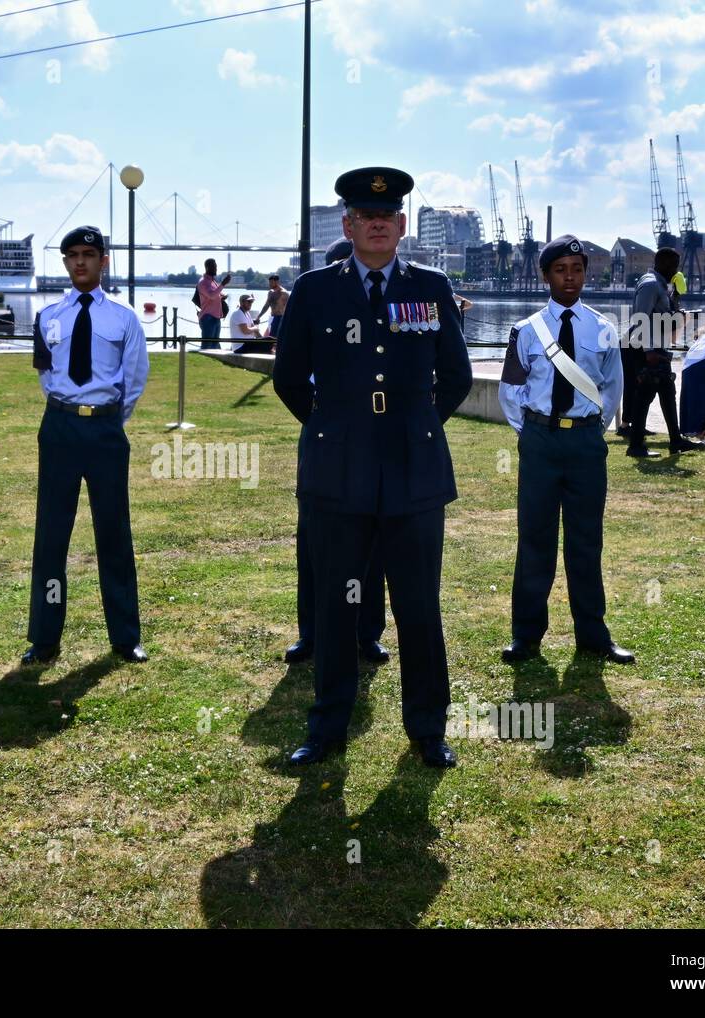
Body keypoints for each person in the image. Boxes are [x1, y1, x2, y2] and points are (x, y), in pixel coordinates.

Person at [273, 166, 473, 768]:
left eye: (387, 218)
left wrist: (415, 424)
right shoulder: (314, 290)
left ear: (402, 225)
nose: (378, 225)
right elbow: (288, 378)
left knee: (419, 604)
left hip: (414, 470)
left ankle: (427, 728)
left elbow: (457, 377)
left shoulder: (433, 288)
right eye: (366, 217)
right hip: (339, 471)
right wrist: (334, 426)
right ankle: (328, 726)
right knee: (336, 605)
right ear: (349, 225)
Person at [497, 235, 635, 667]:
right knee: (534, 539)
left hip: (585, 444)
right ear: (546, 276)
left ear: (584, 274)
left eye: (576, 269)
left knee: (586, 541)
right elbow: (510, 389)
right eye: (561, 270)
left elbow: (612, 387)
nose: (569, 277)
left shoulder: (604, 328)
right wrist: (534, 431)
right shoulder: (526, 330)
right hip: (540, 442)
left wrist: (590, 428)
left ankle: (593, 635)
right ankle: (526, 637)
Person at [23, 226, 150, 665]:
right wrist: (68, 410)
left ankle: (125, 635)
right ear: (64, 262)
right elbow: (45, 374)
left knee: (113, 531)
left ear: (104, 261)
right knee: (51, 533)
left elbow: (133, 379)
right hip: (59, 429)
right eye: (72, 255)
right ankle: (43, 637)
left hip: (105, 432)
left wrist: (108, 418)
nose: (81, 262)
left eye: (89, 255)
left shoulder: (123, 317)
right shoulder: (47, 317)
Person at [284, 238, 388, 668]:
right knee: (314, 542)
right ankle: (311, 634)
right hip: (323, 436)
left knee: (373, 542)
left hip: (371, 439)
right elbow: (290, 375)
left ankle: (368, 634)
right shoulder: (313, 304)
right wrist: (320, 421)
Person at [627, 247, 696, 457]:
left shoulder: (661, 285)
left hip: (659, 347)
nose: (676, 270)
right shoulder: (650, 284)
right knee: (644, 397)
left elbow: (663, 315)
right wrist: (648, 351)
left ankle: (675, 441)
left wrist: (675, 298)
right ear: (664, 263)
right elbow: (640, 319)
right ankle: (636, 445)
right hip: (649, 350)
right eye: (674, 266)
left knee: (667, 395)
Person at [195, 258, 231, 350]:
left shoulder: (212, 281)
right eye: (214, 267)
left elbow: (216, 293)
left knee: (215, 346)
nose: (216, 269)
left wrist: (222, 296)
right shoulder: (202, 282)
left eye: (216, 267)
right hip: (207, 318)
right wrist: (223, 284)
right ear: (207, 267)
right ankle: (203, 363)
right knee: (207, 347)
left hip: (216, 317)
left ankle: (212, 362)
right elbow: (211, 295)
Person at [256, 274, 289, 339]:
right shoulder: (270, 292)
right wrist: (259, 316)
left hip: (280, 318)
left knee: (274, 338)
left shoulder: (284, 293)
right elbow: (266, 306)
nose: (270, 284)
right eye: (269, 282)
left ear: (277, 282)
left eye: (271, 282)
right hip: (272, 318)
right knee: (271, 337)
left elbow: (290, 308)